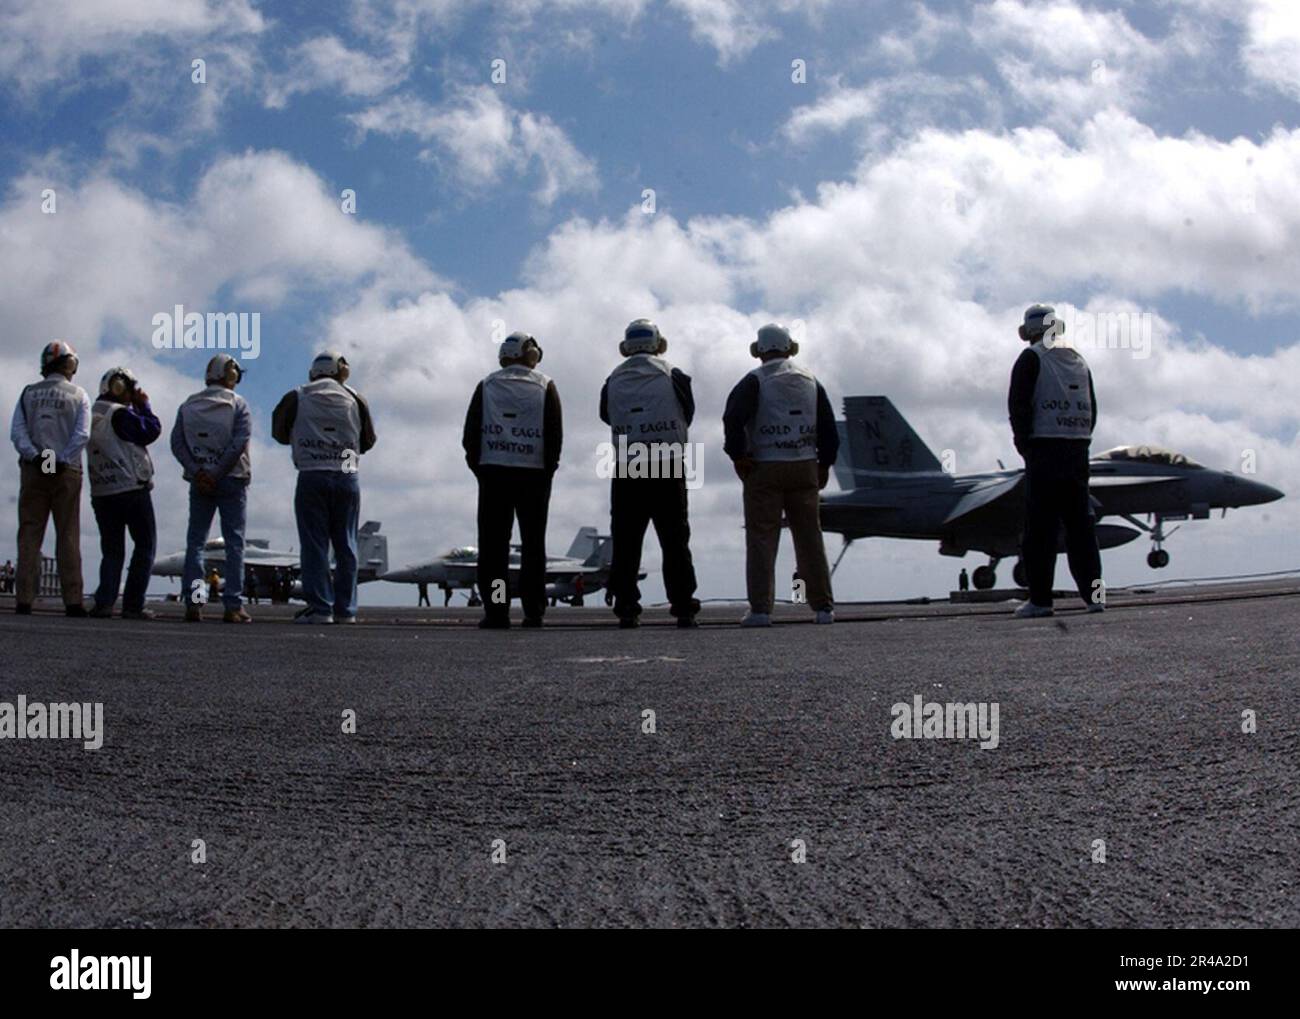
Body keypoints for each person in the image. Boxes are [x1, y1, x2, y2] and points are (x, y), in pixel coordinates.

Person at [723, 323, 839, 627]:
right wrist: (824, 463)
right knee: (810, 538)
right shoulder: (811, 380)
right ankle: (823, 608)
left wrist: (738, 456)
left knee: (762, 538)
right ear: (791, 347)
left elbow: (733, 418)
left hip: (764, 467)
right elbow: (828, 426)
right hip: (805, 466)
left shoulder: (754, 381)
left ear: (757, 350)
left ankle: (761, 610)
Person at [599, 318, 700, 629]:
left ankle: (627, 606)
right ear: (659, 343)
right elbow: (689, 413)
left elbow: (606, 415)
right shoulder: (675, 375)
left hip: (628, 462)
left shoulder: (612, 380)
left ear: (626, 346)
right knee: (675, 538)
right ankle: (683, 606)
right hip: (670, 460)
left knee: (627, 539)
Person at [1007, 304, 1103, 618]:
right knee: (1081, 528)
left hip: (1044, 451)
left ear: (1029, 332)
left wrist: (1026, 448)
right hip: (1078, 452)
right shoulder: (1079, 360)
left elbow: (1018, 407)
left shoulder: (1031, 358)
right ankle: (1095, 598)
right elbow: (1093, 408)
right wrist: (1080, 440)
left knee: (1040, 529)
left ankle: (1040, 601)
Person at [462, 332, 561, 629]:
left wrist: (481, 468)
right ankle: (533, 611)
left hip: (493, 473)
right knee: (533, 546)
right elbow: (555, 433)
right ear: (531, 355)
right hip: (534, 475)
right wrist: (547, 470)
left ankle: (497, 611)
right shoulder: (545, 385)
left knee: (493, 549)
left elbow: (470, 434)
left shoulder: (487, 385)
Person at [273, 351, 375, 624]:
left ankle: (320, 609)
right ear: (342, 371)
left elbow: (279, 433)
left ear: (313, 372)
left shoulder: (296, 395)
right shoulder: (356, 398)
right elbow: (368, 440)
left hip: (311, 473)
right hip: (346, 473)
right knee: (347, 545)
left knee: (315, 545)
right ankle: (346, 611)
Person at [10, 340, 91, 616]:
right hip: (66, 470)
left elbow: (18, 433)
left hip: (34, 468)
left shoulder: (28, 393)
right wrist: (61, 460)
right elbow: (81, 434)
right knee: (68, 533)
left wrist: (37, 457)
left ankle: (24, 599)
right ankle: (73, 600)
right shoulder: (79, 394)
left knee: (30, 533)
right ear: (70, 364)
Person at [171, 354, 252, 623]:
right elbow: (239, 442)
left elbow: (177, 444)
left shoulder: (188, 405)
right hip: (232, 480)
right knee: (235, 543)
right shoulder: (238, 404)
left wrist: (199, 472)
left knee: (195, 543)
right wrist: (218, 472)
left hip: (199, 481)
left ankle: (194, 604)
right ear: (231, 375)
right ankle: (232, 606)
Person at [86, 367, 161, 620]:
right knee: (145, 545)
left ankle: (104, 602)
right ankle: (132, 605)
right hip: (131, 489)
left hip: (101, 490)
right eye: (129, 388)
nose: (132, 394)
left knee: (112, 549)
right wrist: (144, 406)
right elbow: (150, 430)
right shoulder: (119, 415)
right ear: (118, 387)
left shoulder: (91, 413)